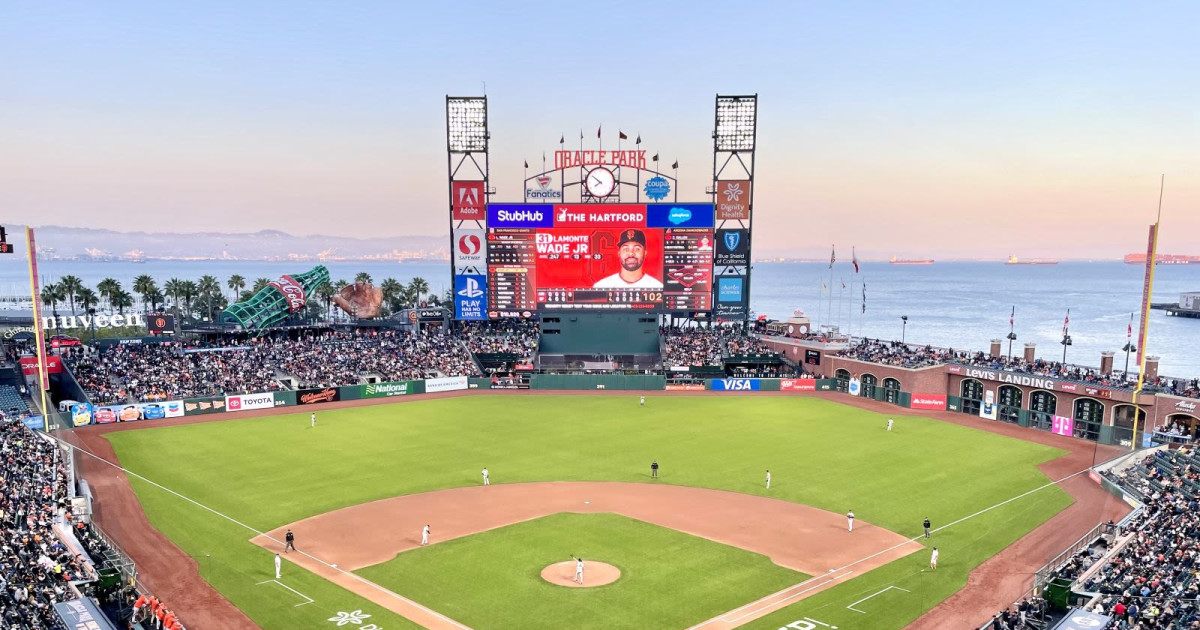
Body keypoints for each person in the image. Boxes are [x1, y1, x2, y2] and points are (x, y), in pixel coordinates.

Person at [592, 230, 662, 289]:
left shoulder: (658, 287)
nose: (631, 253)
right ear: (619, 253)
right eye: (626, 249)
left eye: (637, 249)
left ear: (645, 253)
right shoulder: (601, 287)